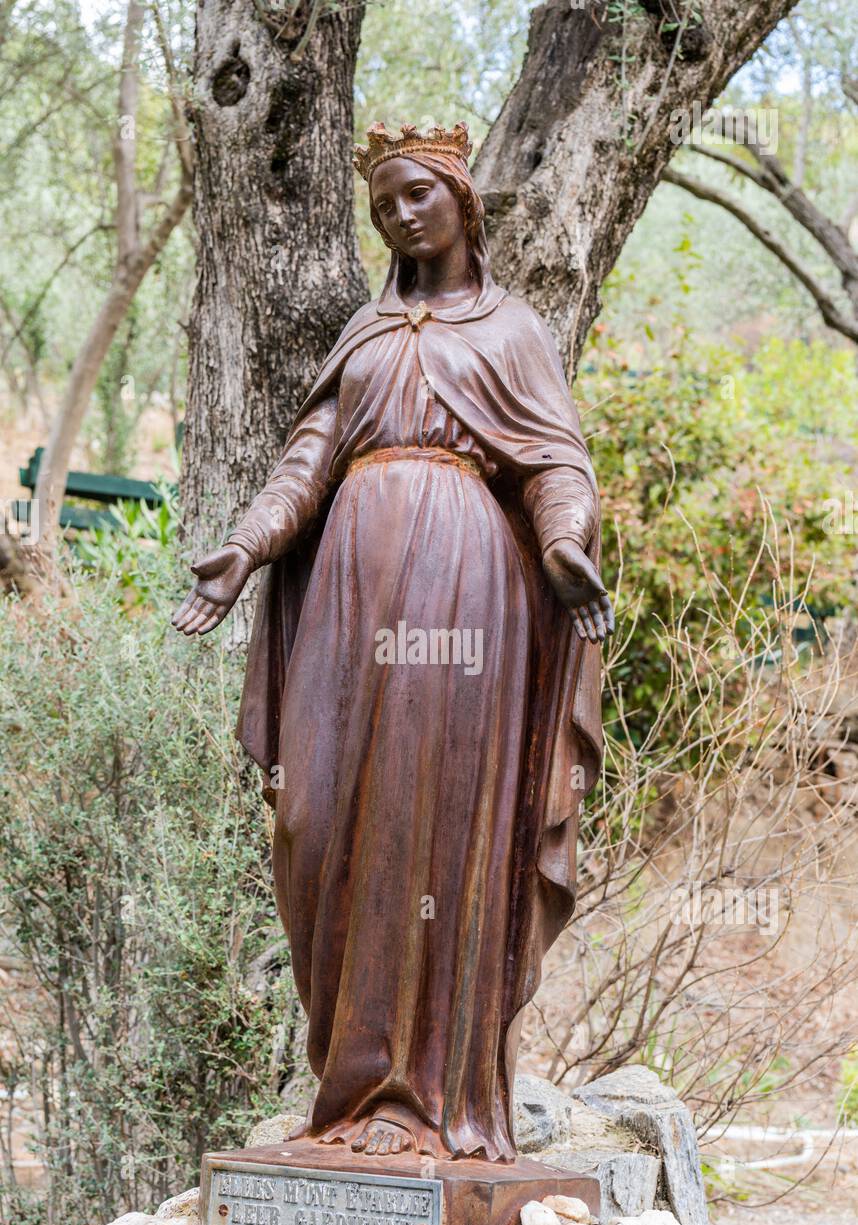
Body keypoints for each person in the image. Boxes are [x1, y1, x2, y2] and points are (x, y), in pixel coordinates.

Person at [173, 121, 613, 1162]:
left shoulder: (512, 332)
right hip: (346, 592)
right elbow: (310, 456)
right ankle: (351, 1087)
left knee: (435, 822)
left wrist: (562, 546)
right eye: (384, 205)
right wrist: (244, 549)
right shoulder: (367, 334)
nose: (401, 214)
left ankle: (428, 1100)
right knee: (315, 820)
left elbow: (557, 460)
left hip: (463, 590)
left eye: (417, 194)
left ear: (462, 199)